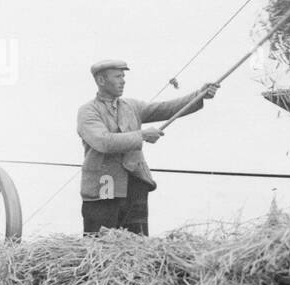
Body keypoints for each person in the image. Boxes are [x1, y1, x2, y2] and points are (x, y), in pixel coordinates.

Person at [77, 60, 218, 235]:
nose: (123, 81)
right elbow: (104, 142)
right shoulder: (88, 111)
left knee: (138, 245)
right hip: (103, 190)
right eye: (118, 76)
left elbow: (166, 109)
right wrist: (142, 135)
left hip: (136, 187)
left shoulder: (131, 106)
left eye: (123, 76)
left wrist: (199, 95)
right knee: (100, 248)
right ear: (101, 81)